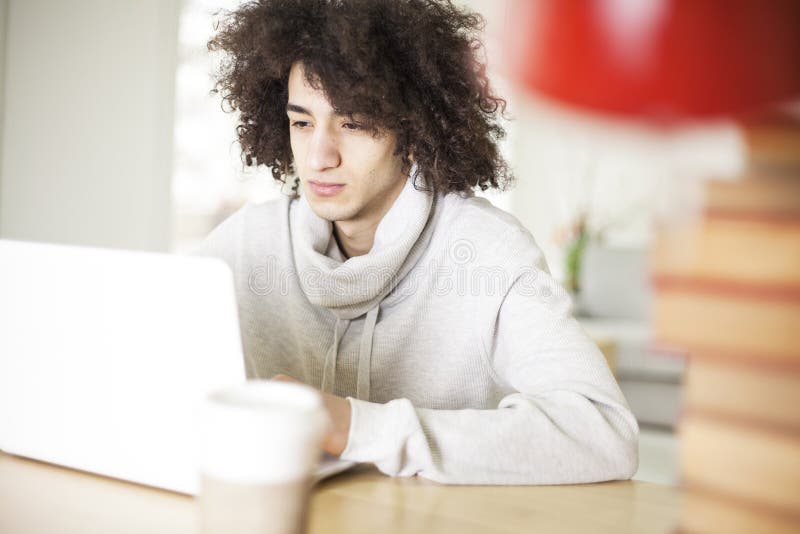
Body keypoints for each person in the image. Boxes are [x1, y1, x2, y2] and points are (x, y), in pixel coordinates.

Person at [198, 0, 638, 484]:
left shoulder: (489, 253)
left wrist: (357, 427)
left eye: (354, 123)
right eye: (302, 122)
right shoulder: (246, 244)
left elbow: (605, 433)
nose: (319, 156)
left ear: (411, 131)